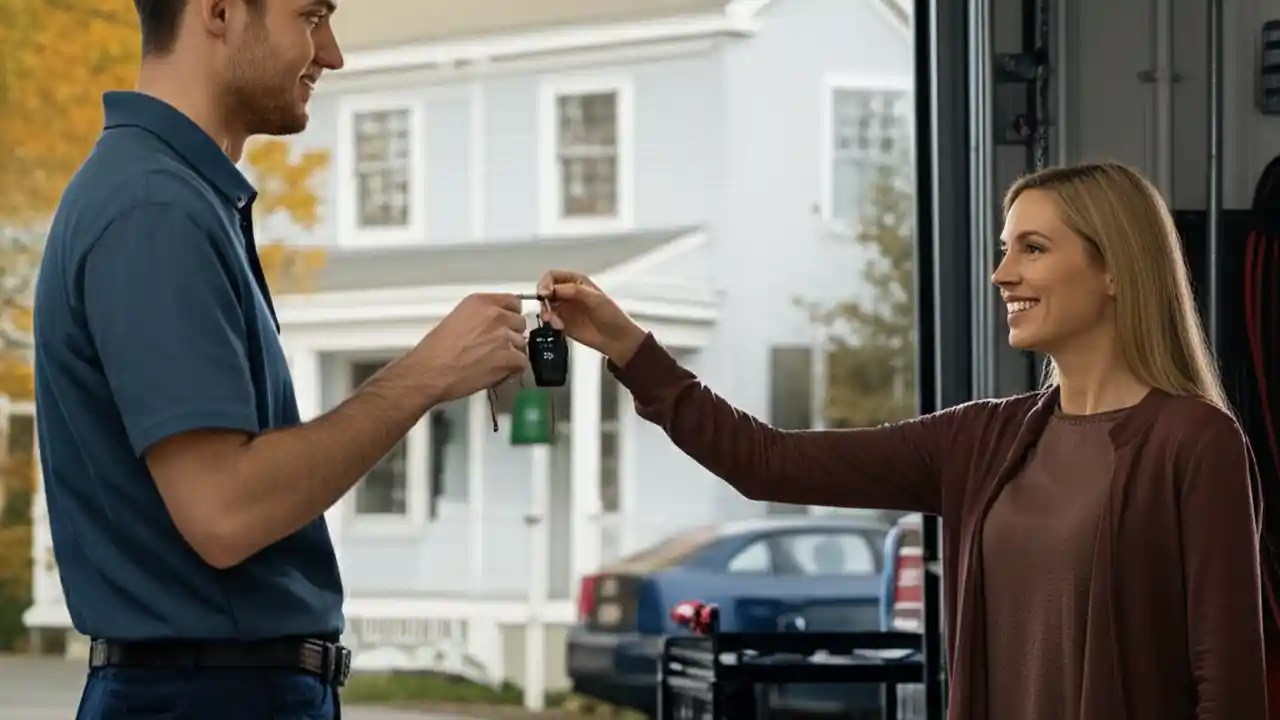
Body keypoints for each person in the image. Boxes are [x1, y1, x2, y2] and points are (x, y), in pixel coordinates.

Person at [538, 161, 1280, 719]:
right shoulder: (981, 440)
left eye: (1032, 249)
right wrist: (629, 348)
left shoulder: (1194, 442)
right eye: (1004, 248)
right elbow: (764, 461)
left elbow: (1229, 682)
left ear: (1114, 268)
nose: (1001, 274)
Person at [33, 1, 528, 718]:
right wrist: (425, 376)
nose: (331, 53)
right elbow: (224, 512)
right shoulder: (155, 208)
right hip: (205, 696)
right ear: (220, 11)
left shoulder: (174, 194)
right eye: (311, 17)